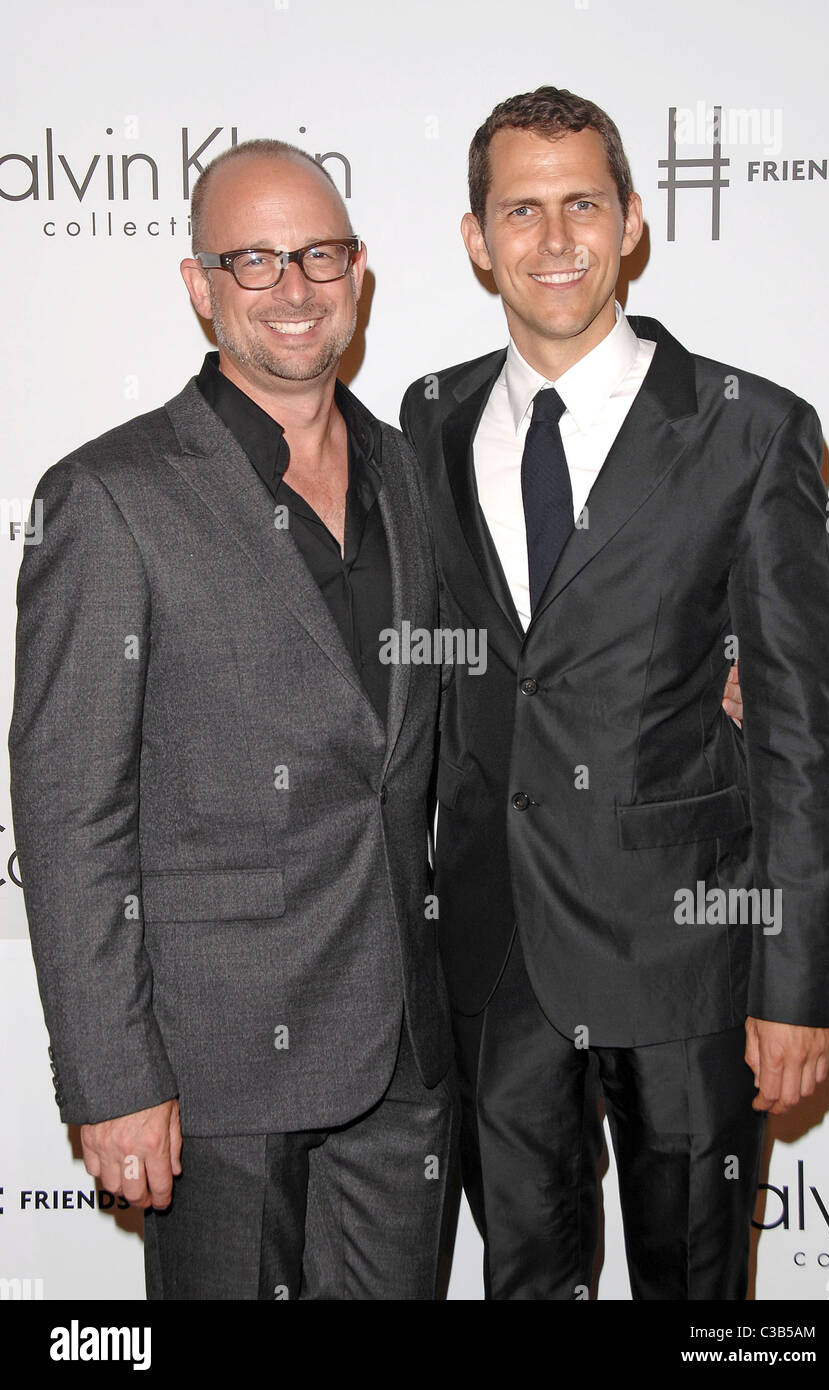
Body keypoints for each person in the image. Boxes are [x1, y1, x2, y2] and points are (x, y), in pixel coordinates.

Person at [400, 87, 829, 1300]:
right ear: (475, 239)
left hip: (687, 955)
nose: (554, 241)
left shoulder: (745, 430)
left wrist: (797, 981)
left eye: (581, 205)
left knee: (698, 1292)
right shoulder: (429, 418)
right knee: (524, 1282)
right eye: (521, 210)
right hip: (495, 963)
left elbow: (803, 731)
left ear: (633, 223)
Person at [9, 139, 455, 1301]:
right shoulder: (109, 496)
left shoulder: (413, 477)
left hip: (402, 1048)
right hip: (211, 1075)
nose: (294, 288)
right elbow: (68, 813)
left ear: (358, 272)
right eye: (251, 260)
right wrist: (111, 1077)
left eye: (317, 254)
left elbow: (467, 706)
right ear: (198, 286)